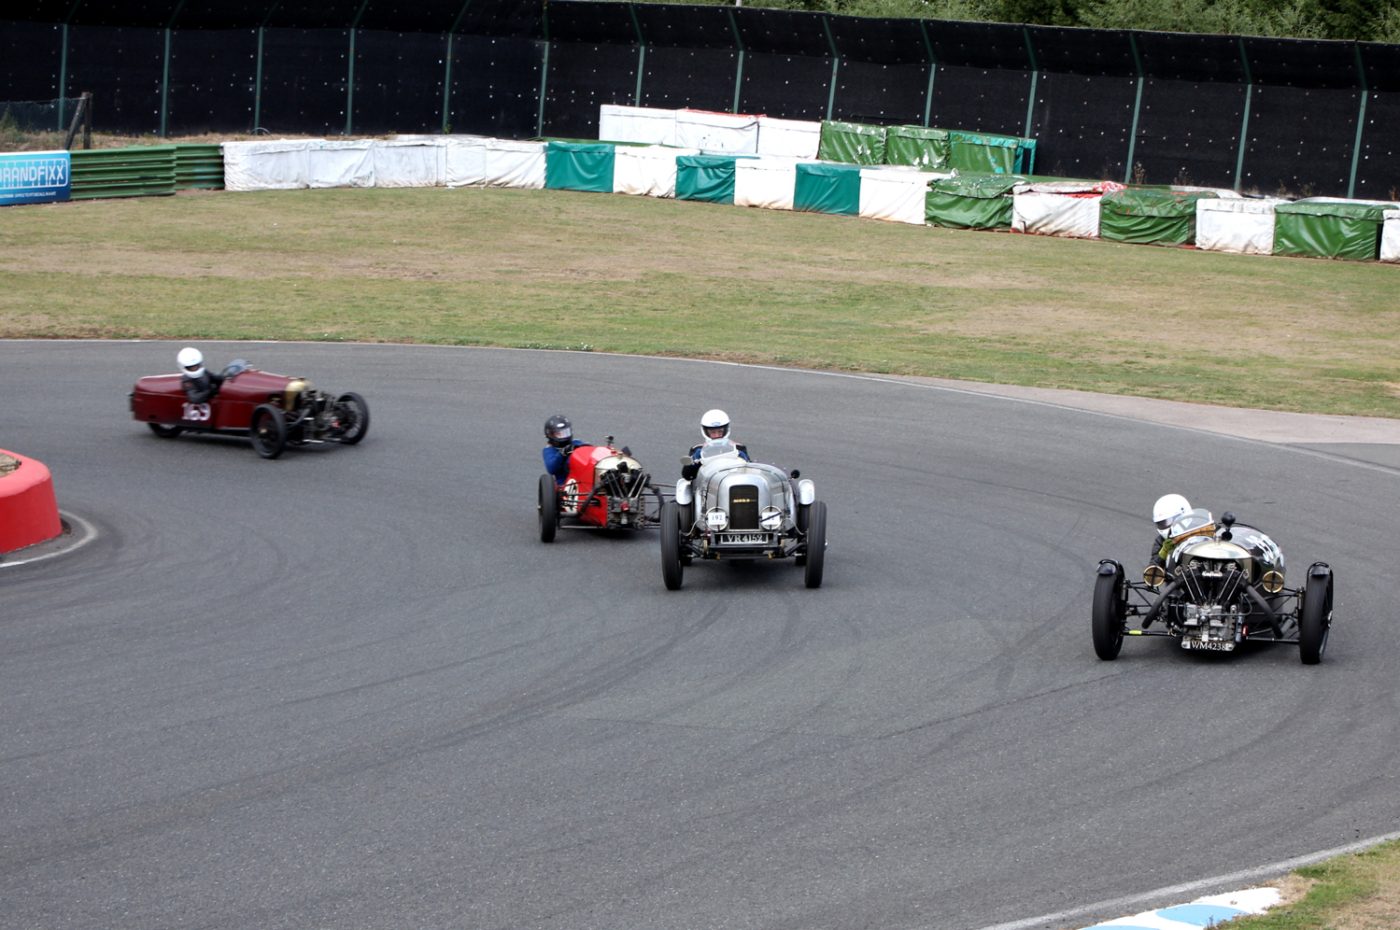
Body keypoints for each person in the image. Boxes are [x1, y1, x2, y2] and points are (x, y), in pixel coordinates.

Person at [1149, 492, 1192, 567]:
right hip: (1176, 576)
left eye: (1169, 521)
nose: (1165, 525)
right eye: (1162, 523)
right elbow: (1152, 572)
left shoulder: (1204, 530)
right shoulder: (1161, 541)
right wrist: (1163, 554)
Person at [542, 414, 587, 486]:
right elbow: (551, 468)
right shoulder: (549, 450)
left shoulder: (576, 443)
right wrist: (562, 454)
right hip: (566, 485)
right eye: (559, 434)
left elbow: (588, 451)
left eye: (566, 432)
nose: (564, 436)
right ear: (550, 434)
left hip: (584, 476)